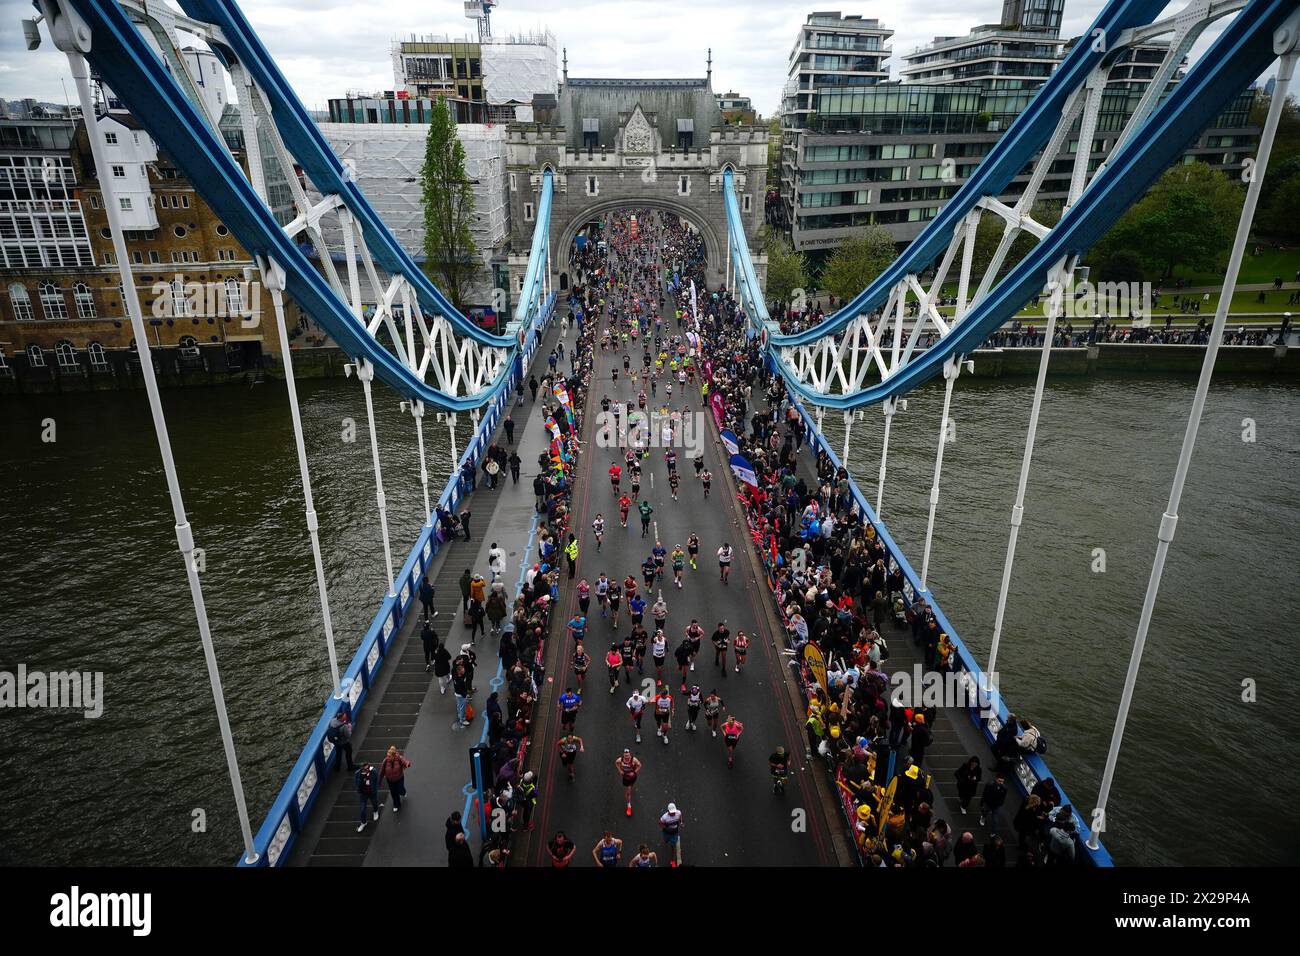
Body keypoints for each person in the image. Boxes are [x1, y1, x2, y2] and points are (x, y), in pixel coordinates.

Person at [380, 746, 411, 813]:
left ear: (393, 755)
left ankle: (403, 792)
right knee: (393, 793)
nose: (388, 757)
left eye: (389, 756)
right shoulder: (385, 761)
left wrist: (407, 764)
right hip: (390, 780)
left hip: (399, 778)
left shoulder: (399, 758)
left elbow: (405, 762)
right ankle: (396, 805)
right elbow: (382, 771)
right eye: (387, 756)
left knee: (400, 789)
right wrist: (379, 780)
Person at [327, 707, 355, 772]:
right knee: (348, 752)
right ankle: (350, 766)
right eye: (344, 717)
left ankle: (337, 767)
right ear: (342, 718)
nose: (345, 718)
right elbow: (348, 735)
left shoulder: (332, 721)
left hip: (336, 741)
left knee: (338, 753)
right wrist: (350, 728)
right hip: (343, 742)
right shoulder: (344, 726)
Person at [616, 749, 643, 816]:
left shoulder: (634, 760)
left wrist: (634, 772)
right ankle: (629, 793)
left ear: (630, 755)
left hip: (632, 777)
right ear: (623, 756)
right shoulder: (620, 760)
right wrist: (620, 771)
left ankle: (629, 806)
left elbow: (639, 765)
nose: (627, 758)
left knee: (628, 791)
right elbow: (616, 763)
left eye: (628, 756)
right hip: (625, 777)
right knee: (628, 789)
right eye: (625, 756)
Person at [355, 763, 381, 832]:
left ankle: (375, 811)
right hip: (363, 794)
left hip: (372, 792)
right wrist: (362, 777)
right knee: (362, 809)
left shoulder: (373, 771)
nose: (367, 770)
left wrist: (375, 789)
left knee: (374, 803)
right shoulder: (358, 774)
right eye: (365, 769)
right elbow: (357, 784)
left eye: (367, 768)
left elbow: (377, 780)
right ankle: (363, 822)